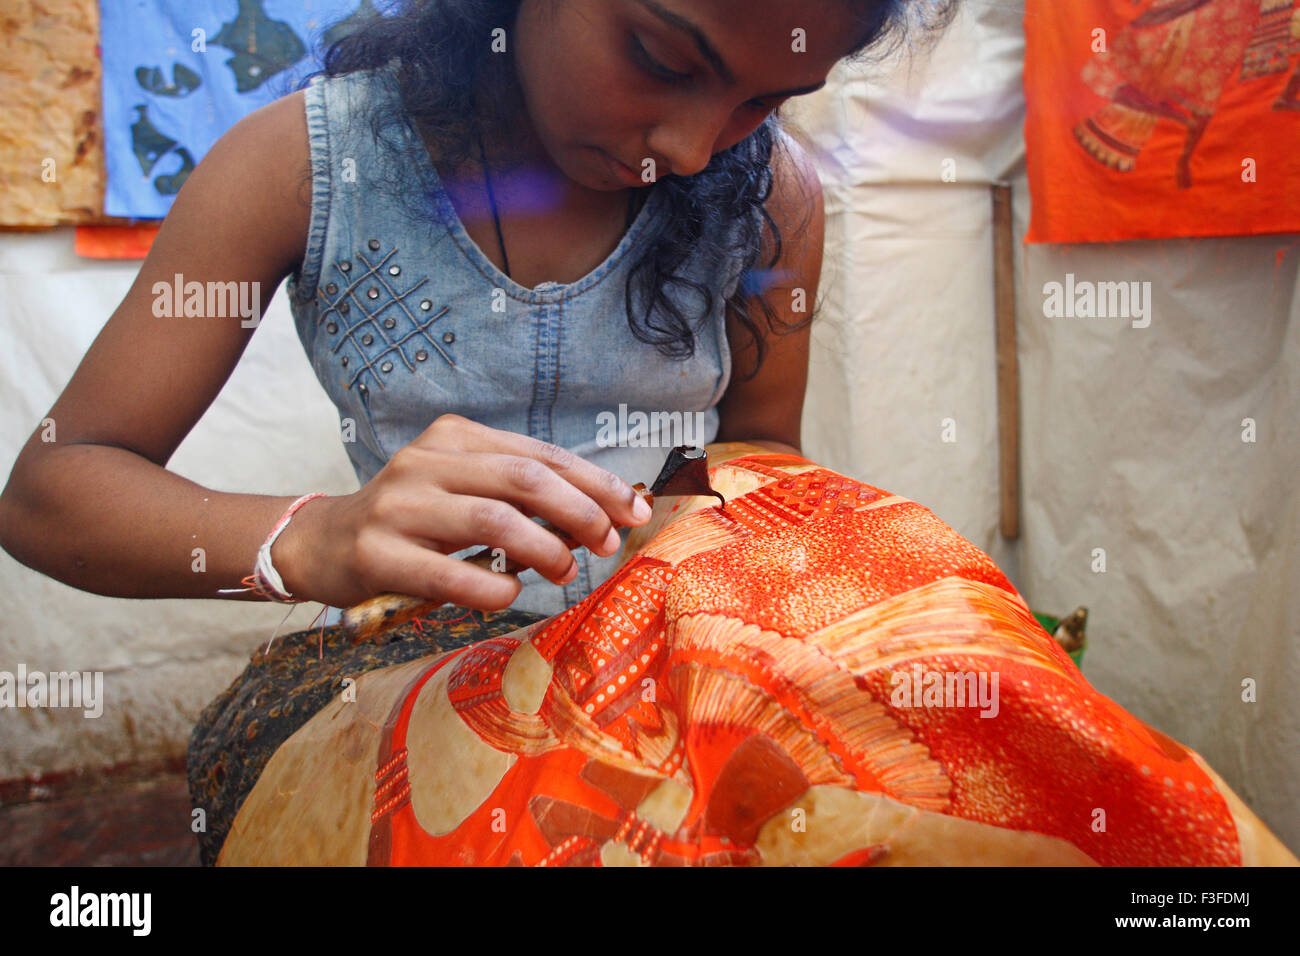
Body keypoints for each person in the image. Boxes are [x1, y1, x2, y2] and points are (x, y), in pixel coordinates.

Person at [0, 0, 956, 623]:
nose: (697, 148)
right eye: (663, 60)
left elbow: (759, 453)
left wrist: (695, 520)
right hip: (402, 690)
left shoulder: (770, 197)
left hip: (668, 680)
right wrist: (316, 537)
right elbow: (52, 493)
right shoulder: (302, 165)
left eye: (766, 100)